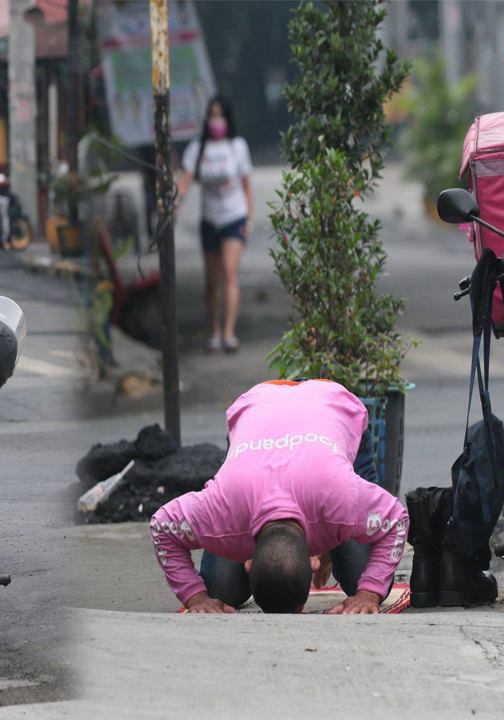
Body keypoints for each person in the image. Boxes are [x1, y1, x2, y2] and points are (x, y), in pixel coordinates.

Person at [149, 380, 407, 614]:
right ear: (249, 563)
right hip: (260, 412)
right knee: (223, 592)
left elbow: (394, 518)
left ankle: (337, 529)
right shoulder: (225, 506)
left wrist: (369, 592)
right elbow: (162, 525)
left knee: (359, 580)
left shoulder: (338, 493)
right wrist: (196, 598)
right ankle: (335, 527)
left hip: (330, 403)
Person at [176, 96, 253, 354]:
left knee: (230, 272)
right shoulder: (198, 149)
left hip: (234, 217)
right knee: (212, 280)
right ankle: (214, 332)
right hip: (210, 220)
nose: (216, 121)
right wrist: (175, 204)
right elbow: (185, 182)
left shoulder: (237, 147)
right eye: (212, 115)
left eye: (220, 115)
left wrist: (249, 219)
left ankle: (229, 334)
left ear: (227, 119)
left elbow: (246, 186)